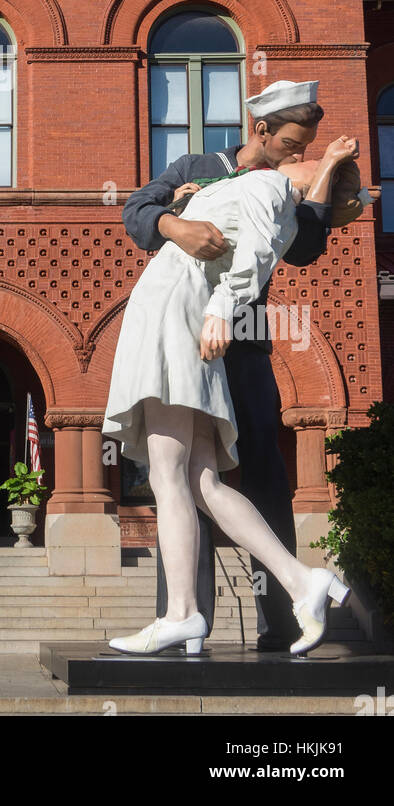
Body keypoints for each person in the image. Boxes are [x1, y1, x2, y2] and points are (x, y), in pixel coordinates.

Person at [102, 133, 376, 655]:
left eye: (307, 156)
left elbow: (288, 244)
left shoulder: (272, 190)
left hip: (209, 329)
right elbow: (138, 211)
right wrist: (175, 218)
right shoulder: (205, 166)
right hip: (193, 321)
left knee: (196, 475)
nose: (300, 157)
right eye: (298, 147)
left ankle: (205, 615)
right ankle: (280, 588)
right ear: (263, 132)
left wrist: (223, 305)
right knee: (198, 480)